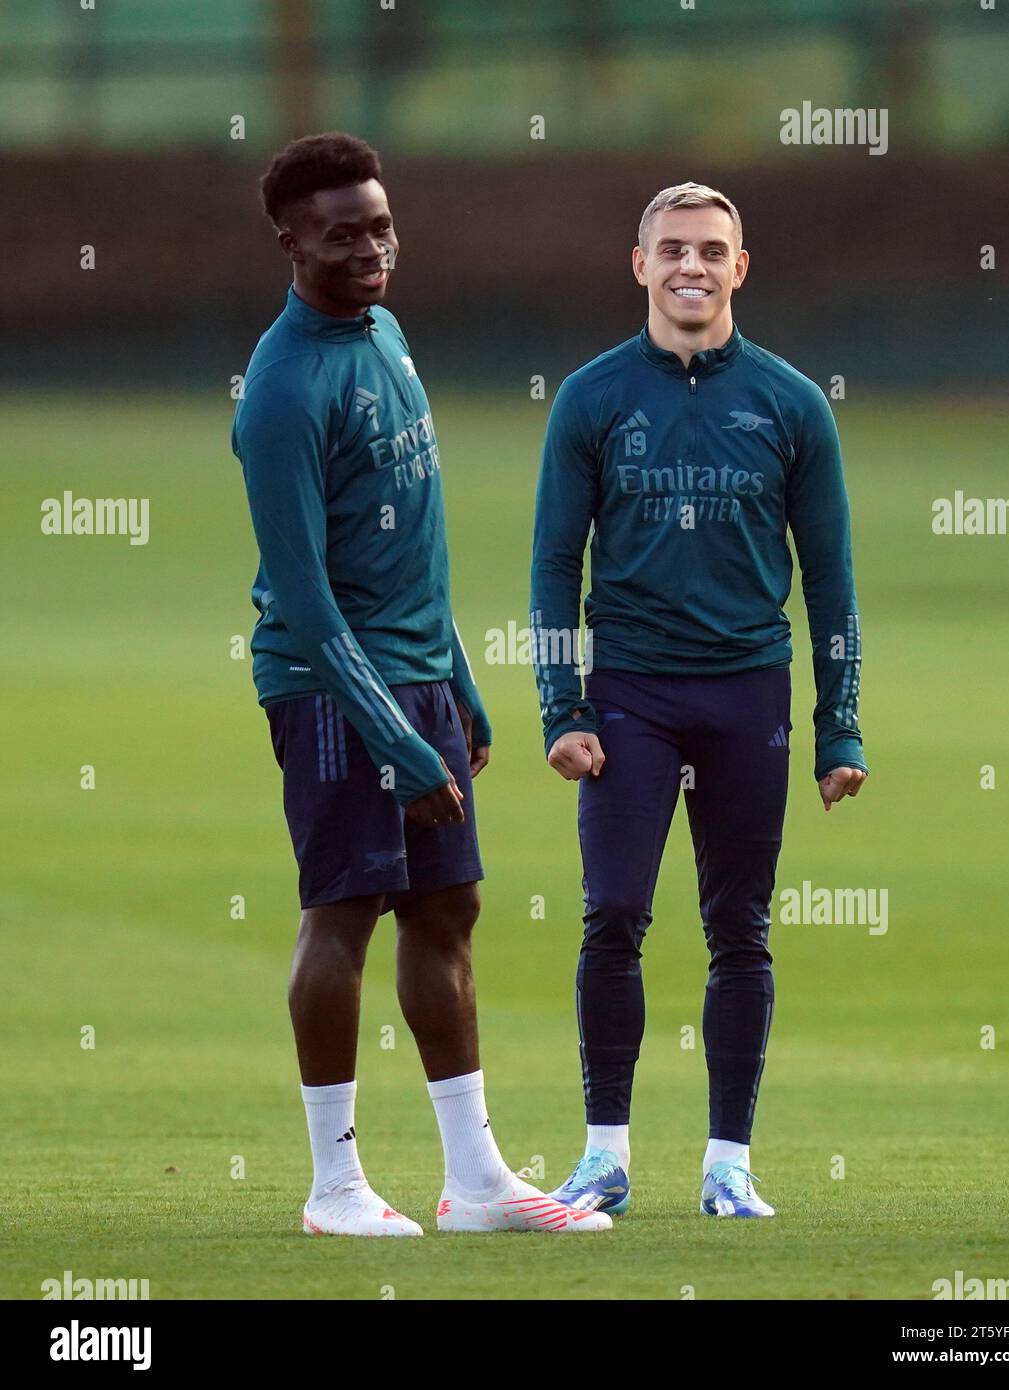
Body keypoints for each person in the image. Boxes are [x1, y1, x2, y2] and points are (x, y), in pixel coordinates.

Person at [233, 132, 610, 1236]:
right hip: (330, 687)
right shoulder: (283, 392)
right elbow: (307, 598)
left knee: (449, 907)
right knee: (341, 913)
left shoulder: (387, 336)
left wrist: (459, 683)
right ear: (291, 240)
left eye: (382, 225)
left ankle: (476, 1179)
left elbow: (410, 544)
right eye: (343, 232)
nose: (371, 247)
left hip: (416, 676)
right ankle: (335, 1185)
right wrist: (395, 739)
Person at [530, 182, 867, 1219]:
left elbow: (832, 579)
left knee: (741, 928)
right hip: (629, 693)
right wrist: (563, 706)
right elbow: (553, 564)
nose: (692, 266)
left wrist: (838, 722)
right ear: (639, 264)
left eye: (712, 250)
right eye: (672, 248)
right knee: (613, 914)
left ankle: (728, 1163)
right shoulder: (590, 398)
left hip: (748, 692)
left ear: (740, 267)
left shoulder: (791, 403)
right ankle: (603, 1155)